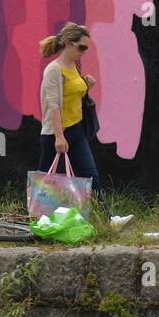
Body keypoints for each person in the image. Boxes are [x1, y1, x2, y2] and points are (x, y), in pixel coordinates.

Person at [38, 21, 102, 201]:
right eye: (81, 47)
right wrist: (59, 136)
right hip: (56, 133)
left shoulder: (73, 66)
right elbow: (53, 104)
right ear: (67, 42)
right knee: (49, 184)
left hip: (76, 130)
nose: (83, 52)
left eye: (86, 49)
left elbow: (70, 99)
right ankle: (39, 219)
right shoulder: (54, 69)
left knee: (91, 176)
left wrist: (85, 87)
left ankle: (105, 217)